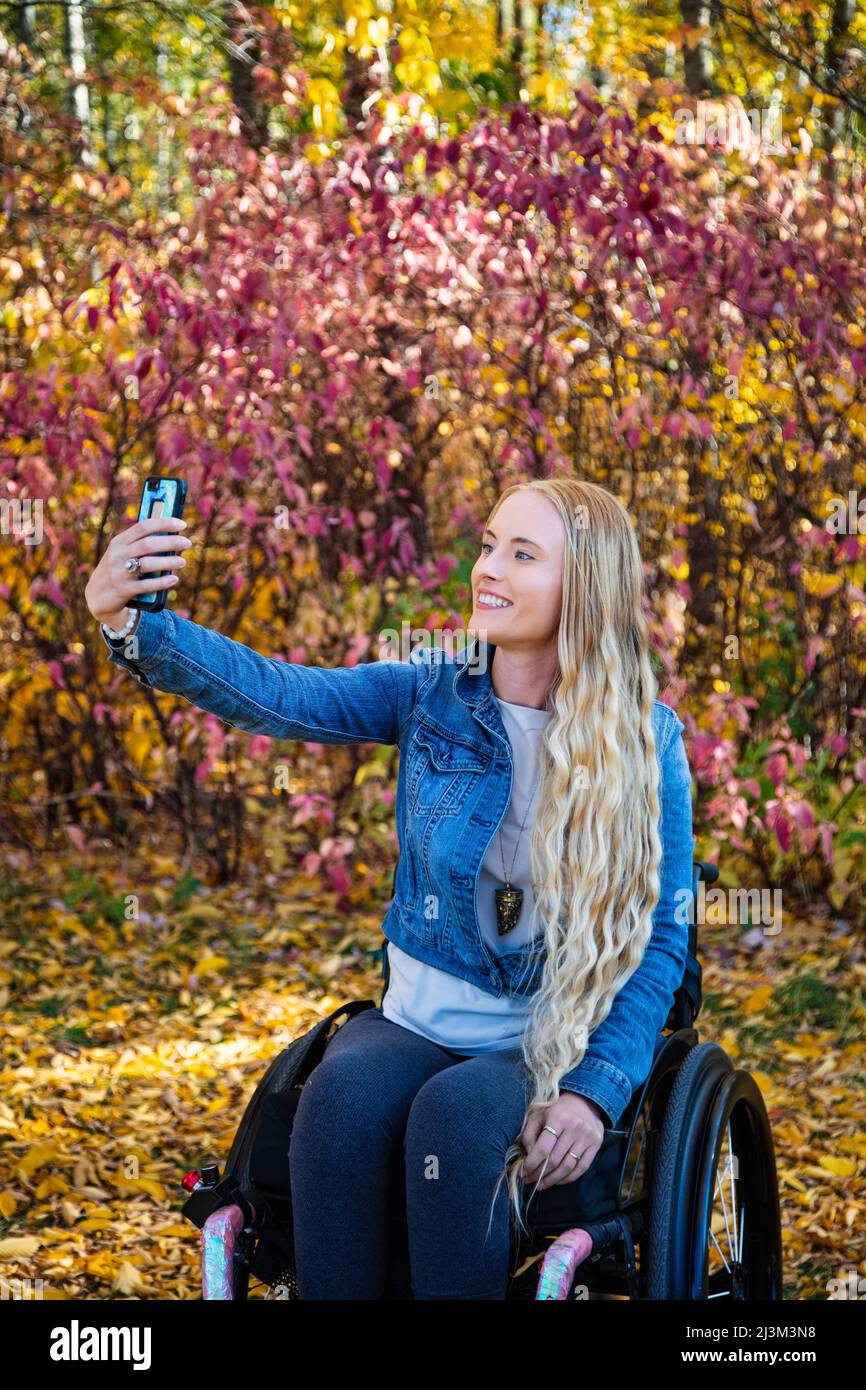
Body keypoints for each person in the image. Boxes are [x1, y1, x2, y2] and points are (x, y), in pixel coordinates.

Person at [85, 477, 694, 1299]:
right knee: (336, 1099)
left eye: (521, 553)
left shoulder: (646, 740)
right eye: (487, 545)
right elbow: (279, 692)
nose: (488, 568)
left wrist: (594, 1093)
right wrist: (131, 624)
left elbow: (661, 940)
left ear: (584, 585)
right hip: (416, 1017)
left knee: (458, 1117)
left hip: (546, 1041)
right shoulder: (430, 693)